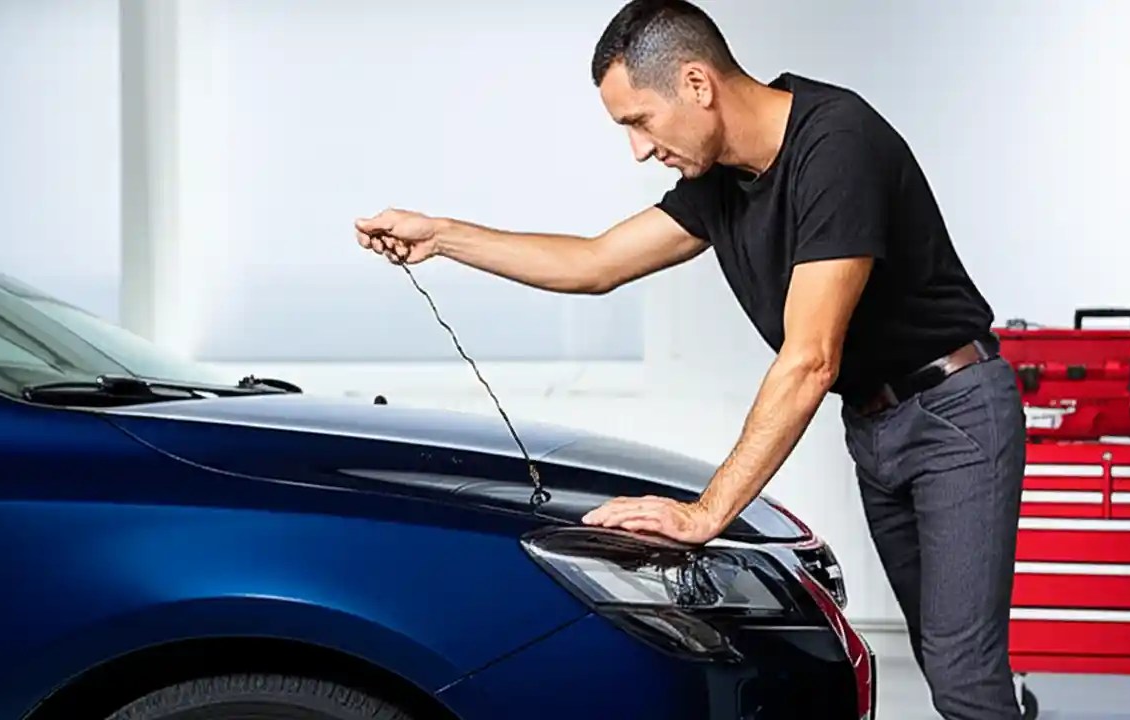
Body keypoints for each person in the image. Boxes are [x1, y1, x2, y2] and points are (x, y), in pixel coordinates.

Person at [355, 1, 1026, 717]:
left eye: (639, 121)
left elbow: (810, 359)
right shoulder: (722, 183)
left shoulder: (837, 144)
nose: (639, 150)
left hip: (953, 414)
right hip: (876, 427)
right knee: (943, 659)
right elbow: (595, 263)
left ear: (698, 84)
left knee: (962, 675)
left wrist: (705, 512)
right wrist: (443, 236)